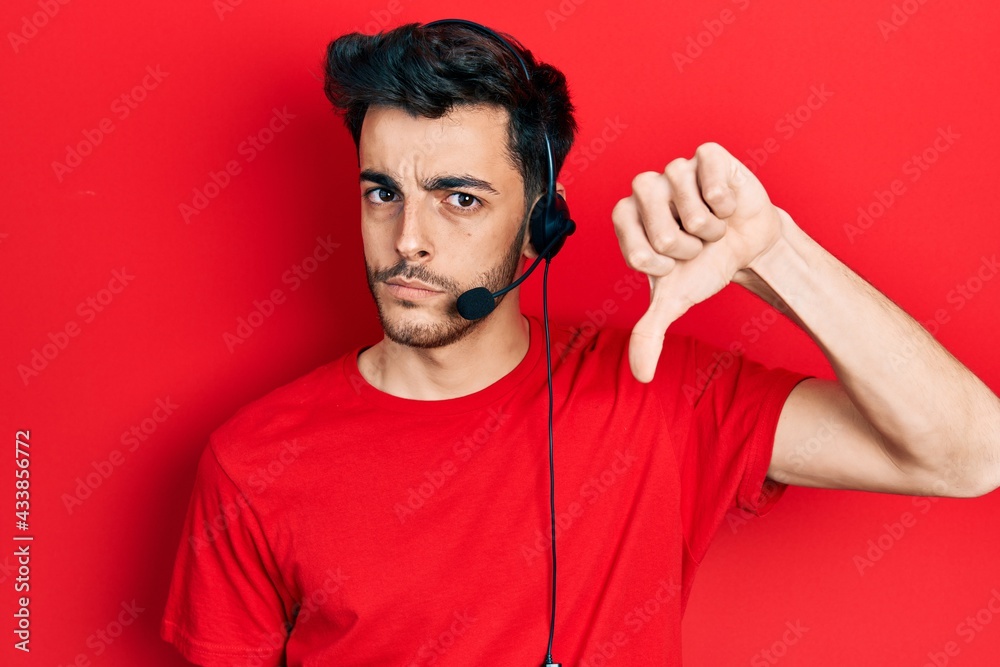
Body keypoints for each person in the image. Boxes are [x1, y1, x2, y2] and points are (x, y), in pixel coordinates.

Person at [160, 19, 1000, 666]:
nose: (407, 239)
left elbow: (969, 454)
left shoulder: (659, 395)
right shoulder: (252, 461)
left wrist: (773, 254)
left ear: (542, 223)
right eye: (383, 192)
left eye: (459, 199)